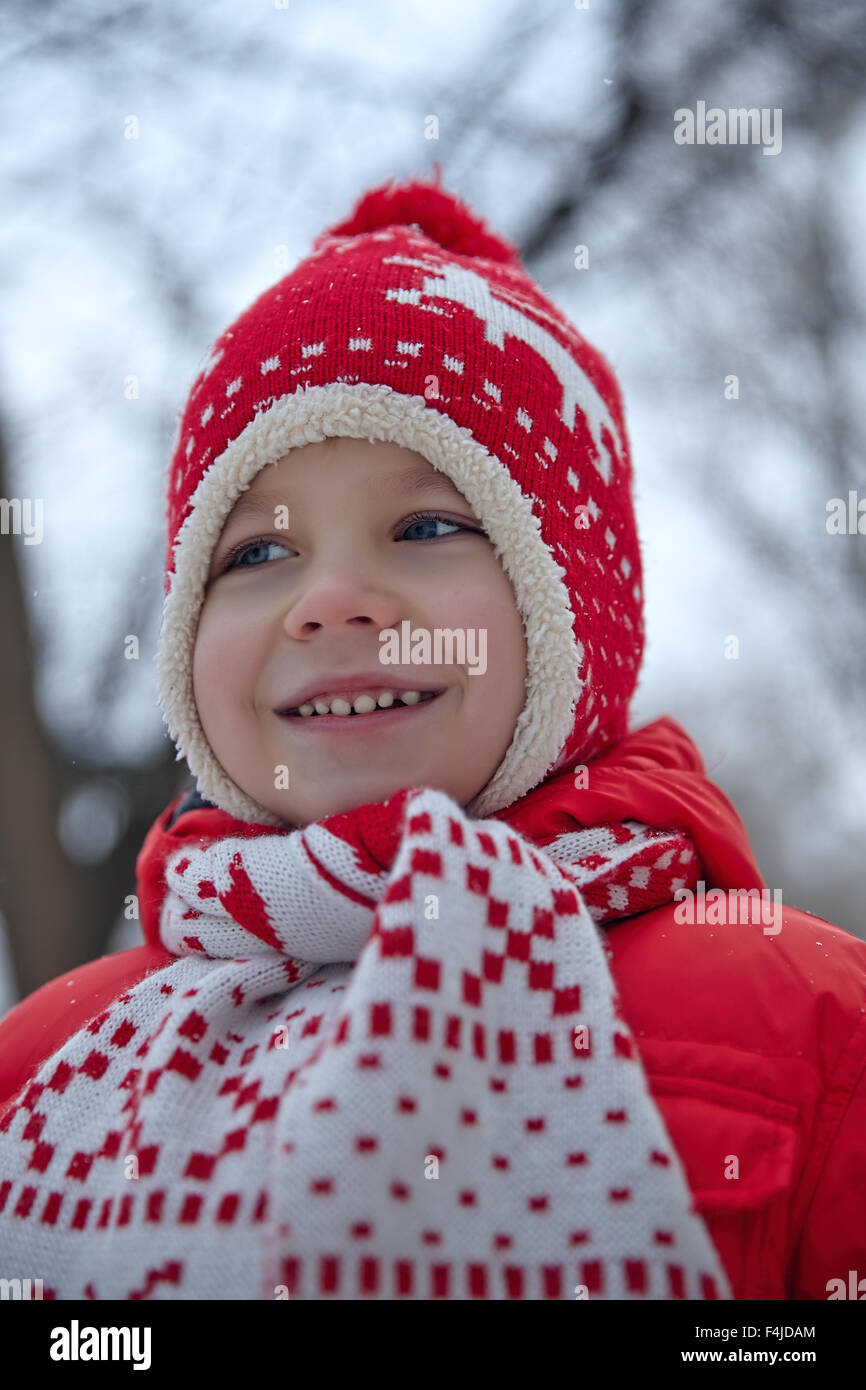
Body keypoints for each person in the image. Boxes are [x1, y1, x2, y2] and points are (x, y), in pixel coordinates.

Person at [0, 171, 863, 1302]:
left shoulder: (809, 1022)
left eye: (425, 526)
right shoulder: (45, 1061)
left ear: (573, 616)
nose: (332, 598)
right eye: (255, 552)